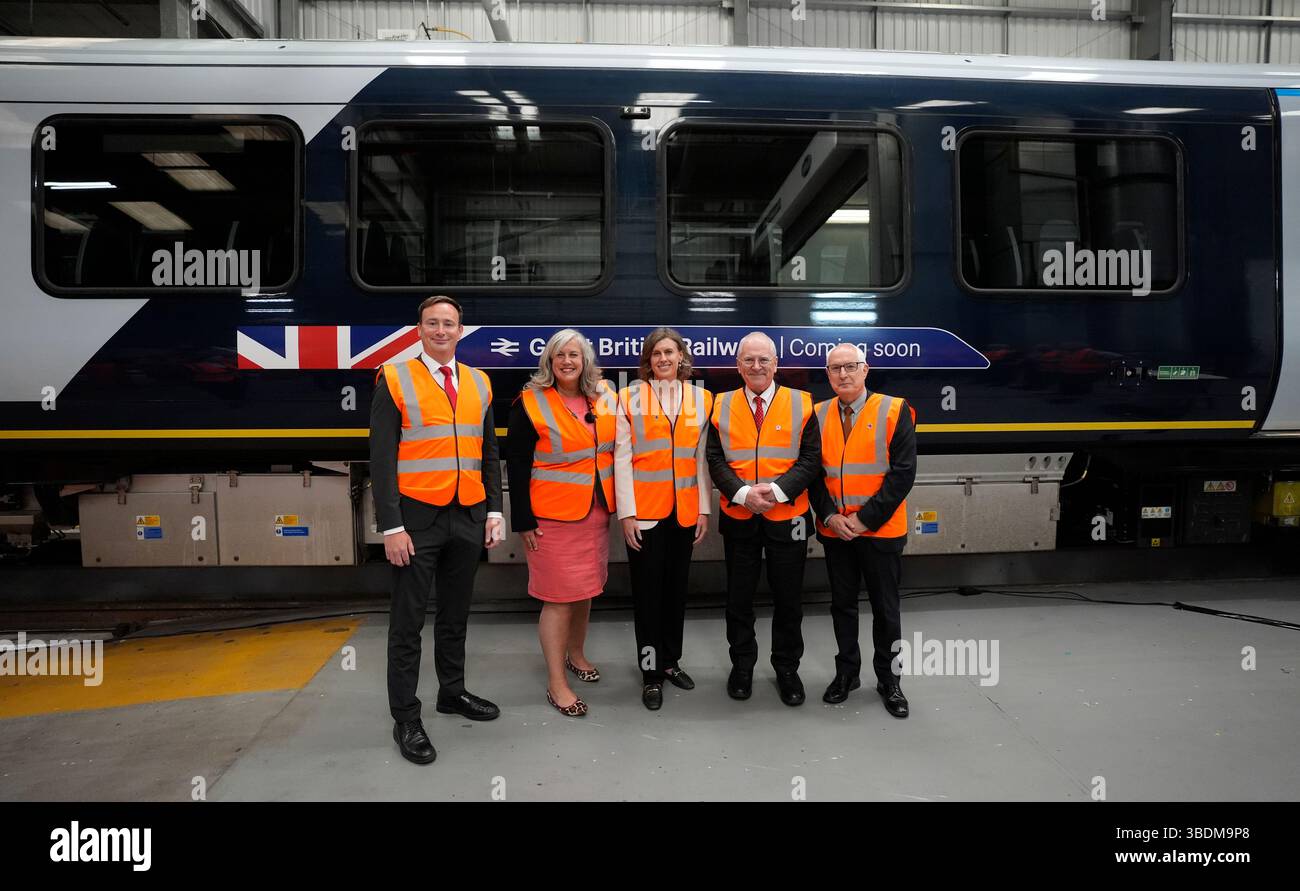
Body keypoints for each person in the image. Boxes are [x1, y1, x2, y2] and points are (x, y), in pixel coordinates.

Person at [370, 295, 504, 766]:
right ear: (420, 329)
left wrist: (494, 510)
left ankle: (452, 692)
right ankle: (406, 716)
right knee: (407, 623)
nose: (441, 330)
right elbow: (382, 458)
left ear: (460, 330)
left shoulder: (480, 381)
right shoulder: (395, 376)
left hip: (467, 515)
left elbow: (488, 451)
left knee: (456, 614)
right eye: (433, 323)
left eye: (449, 324)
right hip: (416, 520)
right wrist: (391, 525)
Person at [506, 329, 617, 718]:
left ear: (585, 360)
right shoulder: (530, 402)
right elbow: (516, 464)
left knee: (585, 590)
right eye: (559, 356)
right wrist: (522, 519)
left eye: (574, 354)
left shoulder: (604, 396)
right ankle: (556, 683)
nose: (568, 362)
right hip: (550, 518)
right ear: (549, 363)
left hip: (595, 512)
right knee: (557, 599)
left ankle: (576, 653)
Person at [706, 331, 822, 706]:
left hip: (789, 517)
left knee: (789, 599)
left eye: (764, 360)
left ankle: (787, 668)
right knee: (738, 599)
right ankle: (742, 667)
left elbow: (810, 459)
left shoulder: (803, 403)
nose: (757, 367)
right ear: (738, 365)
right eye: (749, 360)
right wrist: (742, 494)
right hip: (739, 516)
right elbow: (715, 459)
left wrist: (775, 492)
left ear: (776, 363)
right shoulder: (719, 405)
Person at [809, 344, 917, 719]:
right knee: (842, 604)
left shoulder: (894, 409)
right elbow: (813, 473)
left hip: (880, 531)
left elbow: (902, 474)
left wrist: (863, 520)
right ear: (828, 374)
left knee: (886, 608)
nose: (843, 374)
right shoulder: (818, 414)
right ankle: (847, 674)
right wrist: (829, 517)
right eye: (835, 368)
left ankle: (890, 681)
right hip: (836, 531)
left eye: (850, 366)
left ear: (865, 369)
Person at [614, 327, 714, 710]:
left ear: (681, 356)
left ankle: (671, 662)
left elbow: (701, 459)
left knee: (675, 592)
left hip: (685, 512)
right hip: (646, 515)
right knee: (648, 597)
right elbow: (622, 458)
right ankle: (651, 674)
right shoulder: (629, 398)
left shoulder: (702, 399)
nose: (664, 359)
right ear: (648, 360)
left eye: (670, 352)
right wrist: (627, 514)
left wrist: (704, 507)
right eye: (657, 354)